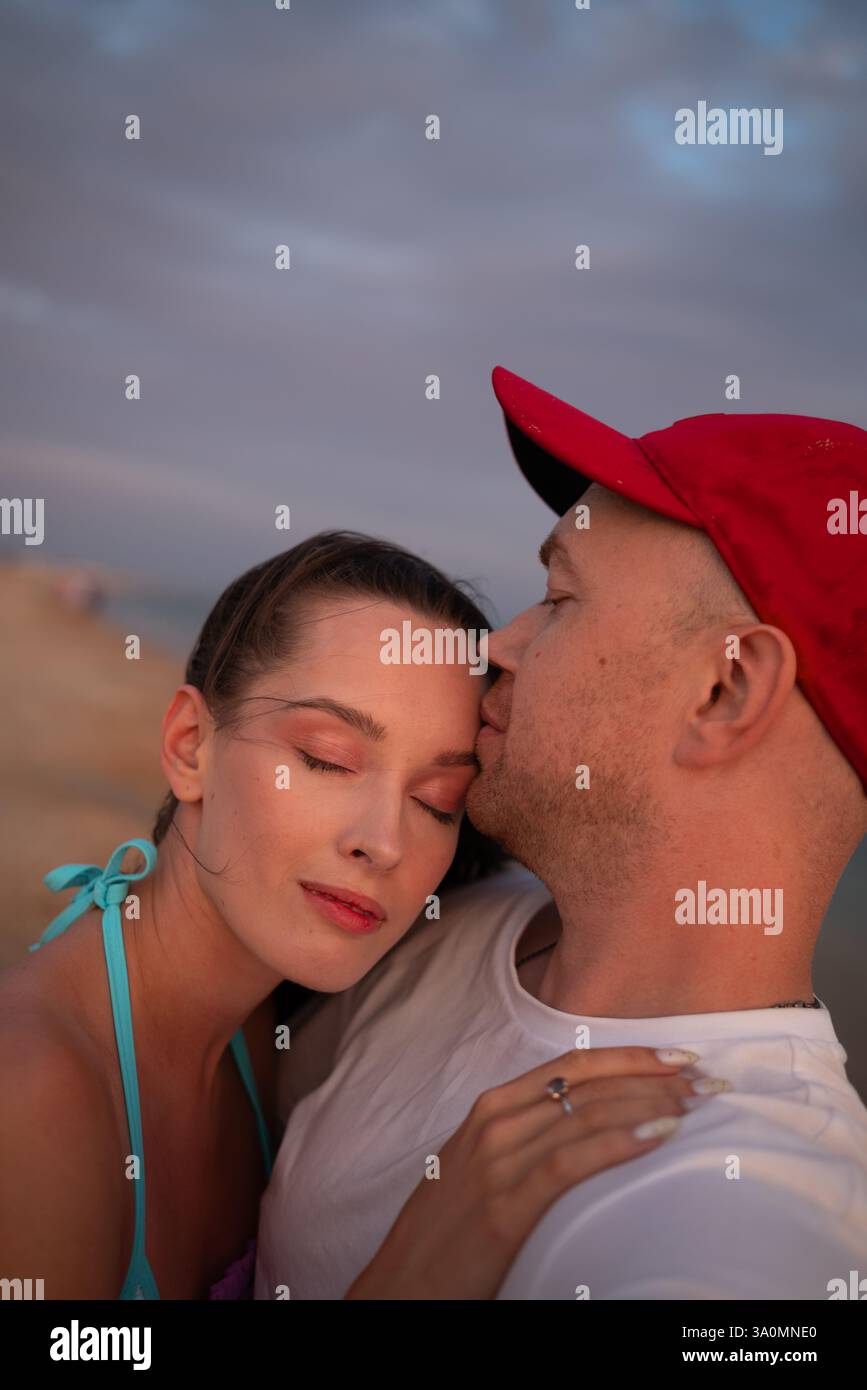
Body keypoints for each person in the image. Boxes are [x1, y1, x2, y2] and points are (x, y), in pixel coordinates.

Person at [255, 367, 867, 1301]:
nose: (496, 644)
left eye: (561, 597)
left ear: (725, 690)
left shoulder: (750, 1207)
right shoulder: (438, 921)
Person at [0, 531, 709, 1300]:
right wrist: (416, 1270)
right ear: (189, 745)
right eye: (328, 759)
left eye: (435, 801)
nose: (382, 843)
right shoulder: (31, 1100)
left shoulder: (255, 1027)